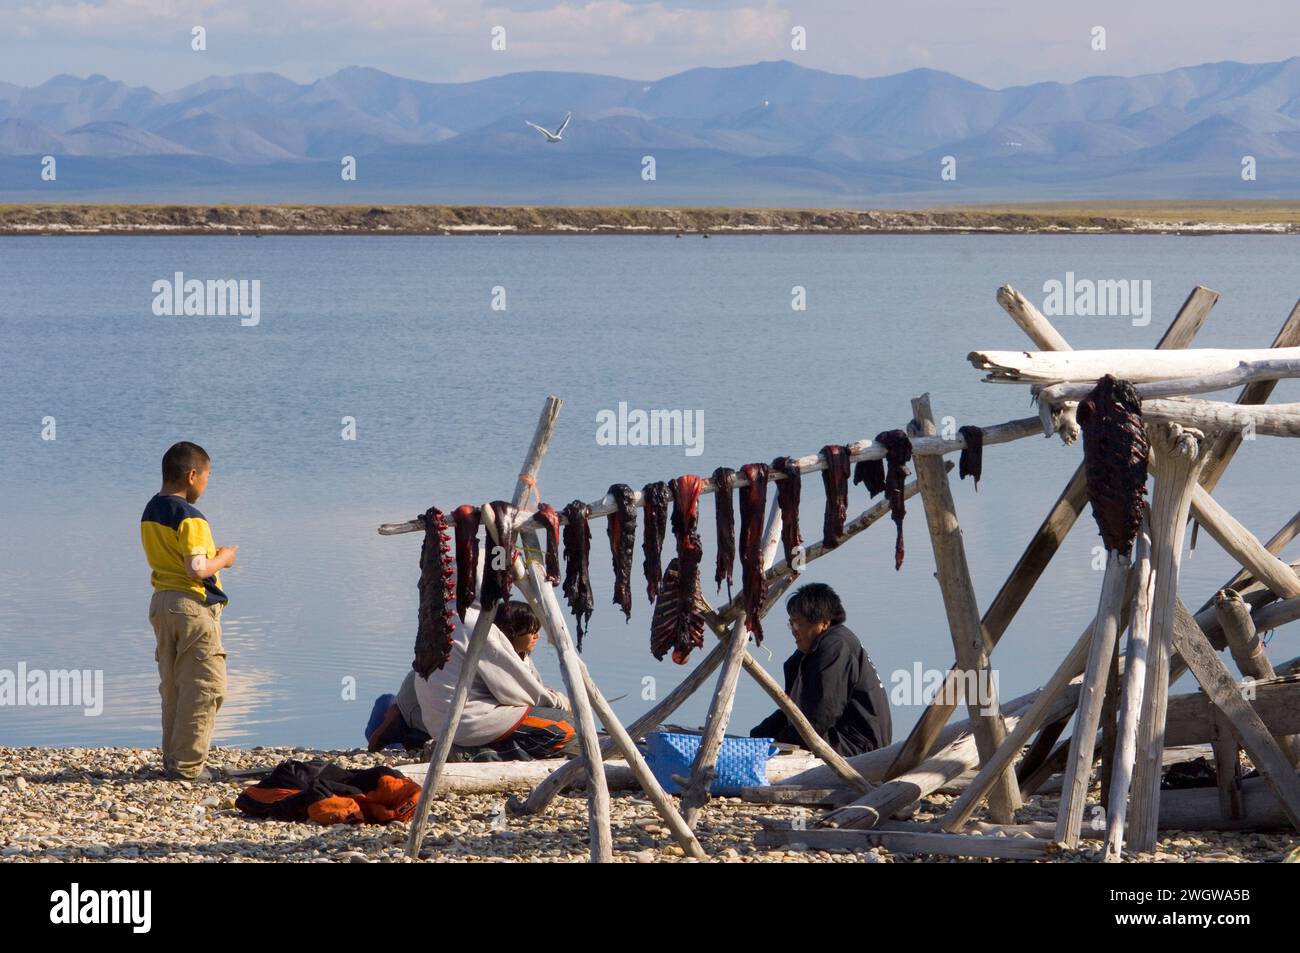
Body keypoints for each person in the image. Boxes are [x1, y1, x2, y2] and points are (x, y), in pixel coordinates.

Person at [139, 441, 238, 781]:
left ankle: (174, 759)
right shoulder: (191, 516)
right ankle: (188, 767)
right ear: (192, 475)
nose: (206, 485)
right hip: (191, 606)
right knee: (205, 685)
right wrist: (224, 558)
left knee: (174, 686)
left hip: (162, 602)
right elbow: (197, 568)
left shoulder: (151, 510)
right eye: (207, 478)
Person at [414, 600, 572, 762]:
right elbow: (519, 694)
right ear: (512, 632)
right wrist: (561, 702)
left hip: (442, 725)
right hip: (467, 722)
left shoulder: (445, 622)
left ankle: (474, 750)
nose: (537, 636)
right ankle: (476, 755)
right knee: (565, 726)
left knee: (554, 721)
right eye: (532, 631)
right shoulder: (480, 629)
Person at [750, 582, 891, 757]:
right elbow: (793, 711)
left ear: (823, 623)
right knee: (759, 735)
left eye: (798, 623)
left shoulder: (836, 647)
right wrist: (759, 736)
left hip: (858, 748)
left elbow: (820, 716)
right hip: (834, 736)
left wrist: (780, 739)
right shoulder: (809, 653)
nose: (793, 630)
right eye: (791, 623)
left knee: (773, 745)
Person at [366, 670, 431, 752]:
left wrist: (378, 733)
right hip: (421, 728)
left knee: (386, 699)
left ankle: (396, 746)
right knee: (390, 700)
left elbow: (395, 710)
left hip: (422, 734)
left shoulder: (422, 673)